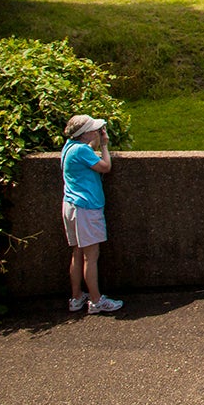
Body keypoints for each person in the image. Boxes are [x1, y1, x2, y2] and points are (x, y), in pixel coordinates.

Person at [61, 114, 123, 315]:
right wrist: (104, 146)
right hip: (86, 208)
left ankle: (77, 297)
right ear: (85, 134)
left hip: (71, 205)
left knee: (77, 252)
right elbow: (105, 167)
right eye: (95, 130)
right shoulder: (81, 150)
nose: (98, 132)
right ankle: (96, 301)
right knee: (91, 256)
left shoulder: (69, 147)